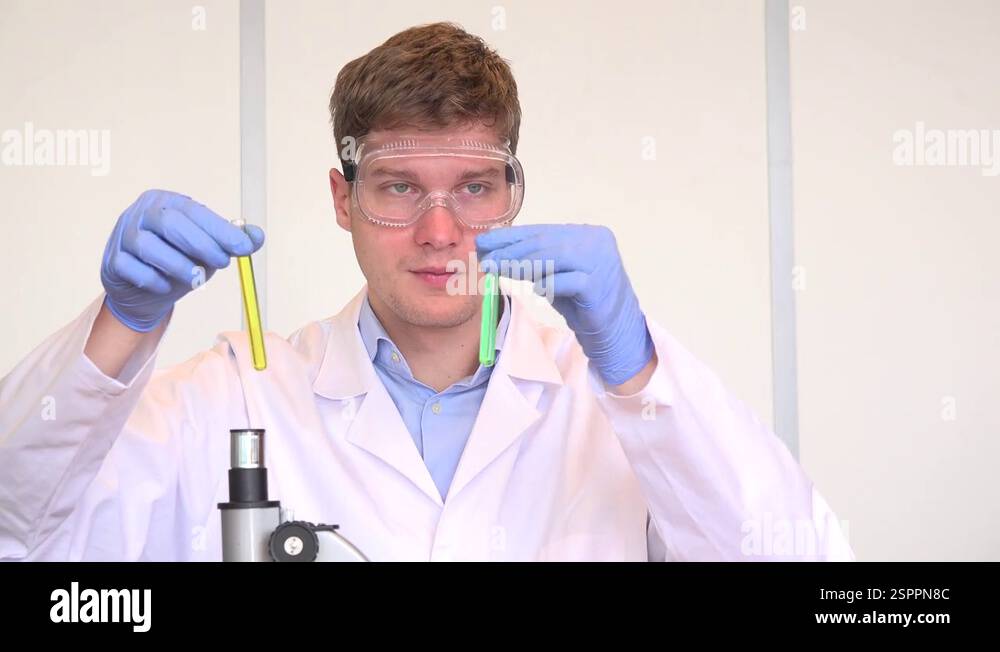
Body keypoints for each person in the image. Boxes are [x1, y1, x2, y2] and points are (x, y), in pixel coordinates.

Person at [0, 23, 851, 561]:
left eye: (474, 188)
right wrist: (120, 323)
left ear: (514, 192)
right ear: (343, 199)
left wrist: (637, 372)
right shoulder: (233, 397)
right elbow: (22, 539)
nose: (441, 232)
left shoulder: (606, 406)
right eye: (399, 186)